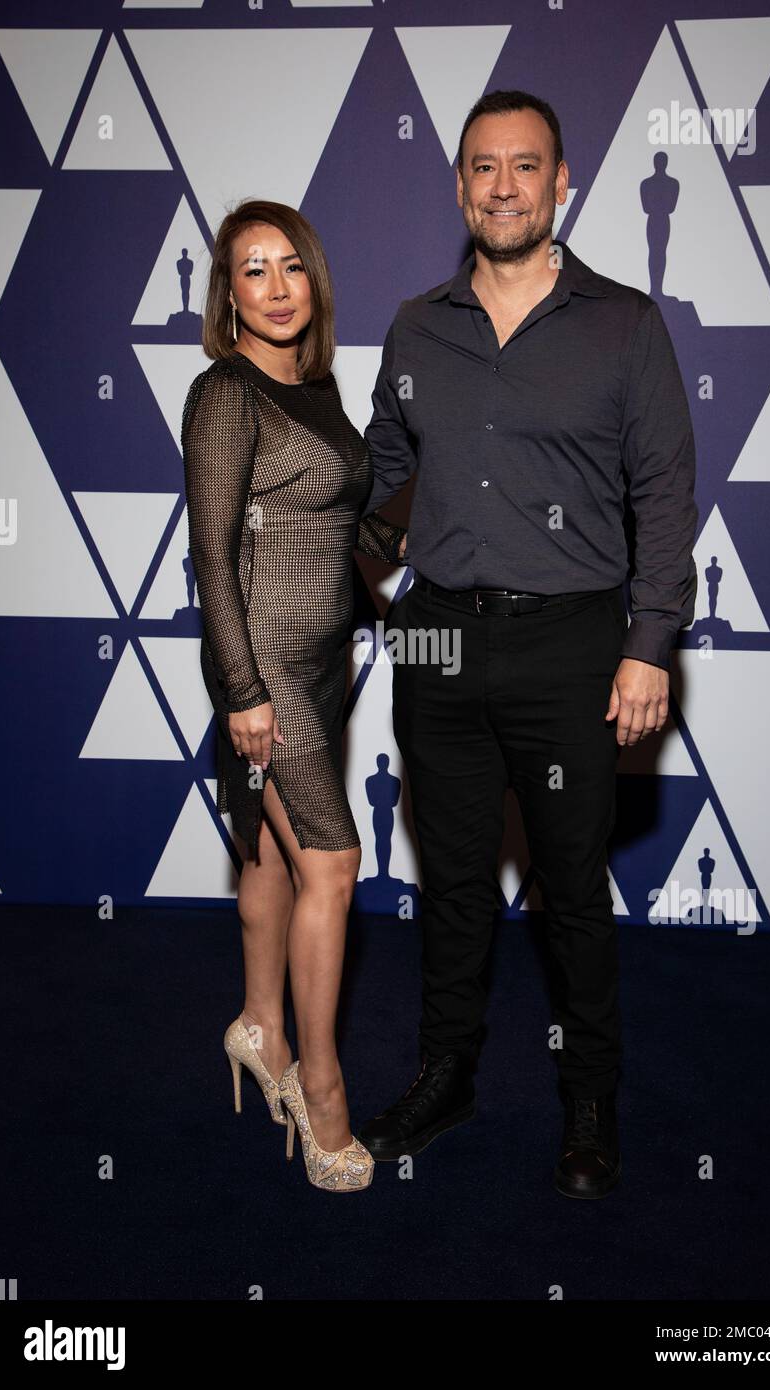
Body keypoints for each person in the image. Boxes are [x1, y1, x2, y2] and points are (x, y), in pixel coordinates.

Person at [356, 91, 698, 1199]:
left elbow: (662, 491)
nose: (501, 184)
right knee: (449, 880)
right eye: (480, 166)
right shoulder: (416, 325)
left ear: (560, 184)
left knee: (570, 889)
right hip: (436, 637)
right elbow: (376, 474)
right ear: (457, 186)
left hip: (572, 641)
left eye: (524, 166)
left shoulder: (624, 322)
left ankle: (588, 1099)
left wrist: (648, 642)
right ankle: (444, 1076)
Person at [181, 199, 408, 1192]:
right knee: (332, 858)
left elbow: (349, 535)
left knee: (270, 848)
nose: (276, 288)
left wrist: (428, 502)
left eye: (291, 268)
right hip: (262, 666)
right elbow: (211, 555)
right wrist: (240, 690)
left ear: (313, 280)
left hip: (327, 659)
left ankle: (258, 1025)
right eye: (252, 271)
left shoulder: (317, 390)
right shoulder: (223, 393)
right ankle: (321, 1089)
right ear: (227, 296)